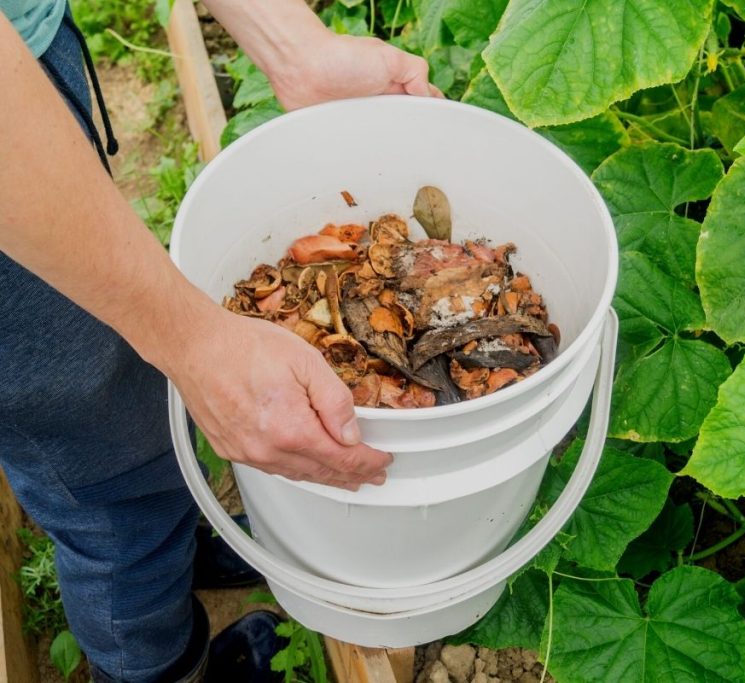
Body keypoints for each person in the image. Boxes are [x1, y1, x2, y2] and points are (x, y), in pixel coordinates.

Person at [0, 0, 442, 680]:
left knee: (127, 395)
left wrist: (293, 45)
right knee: (98, 477)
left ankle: (173, 537)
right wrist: (191, 341)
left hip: (24, 66)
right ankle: (155, 662)